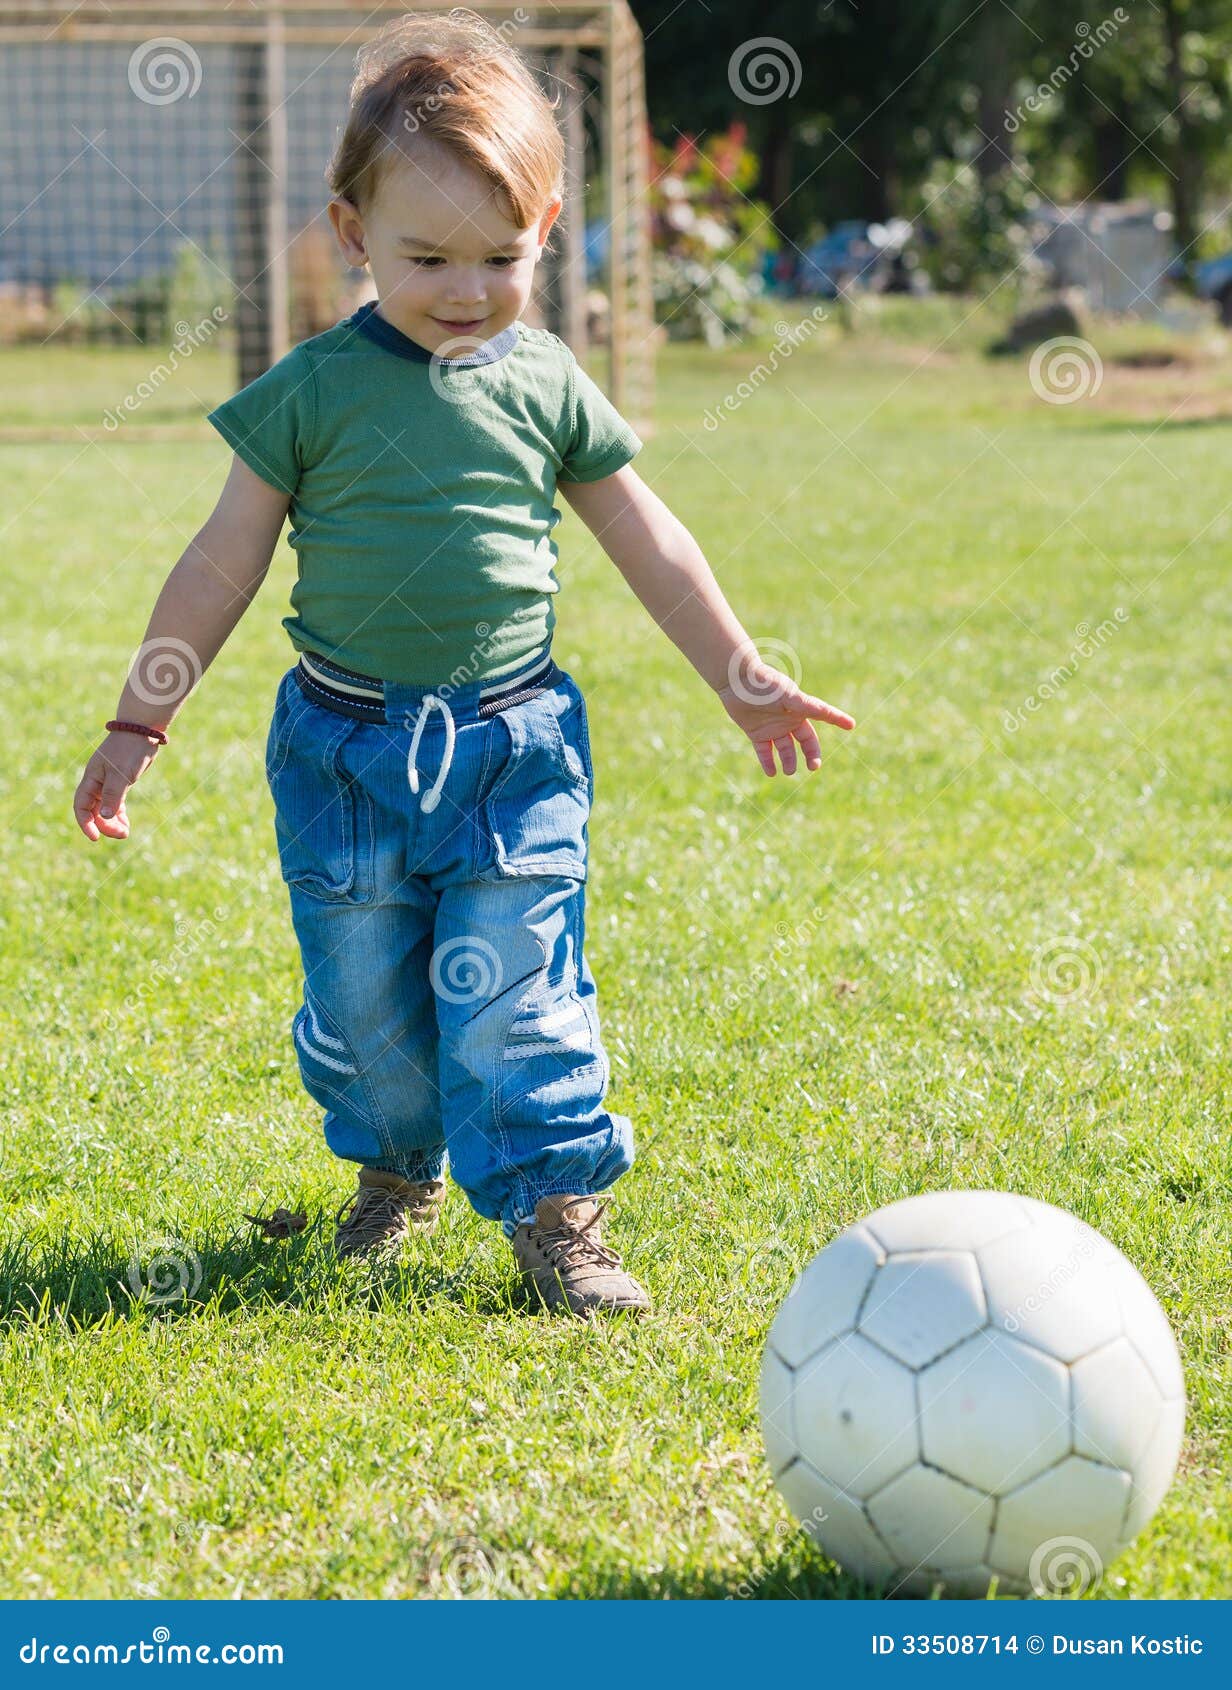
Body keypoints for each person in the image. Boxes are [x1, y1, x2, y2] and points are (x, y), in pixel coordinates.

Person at [72, 10, 854, 1318]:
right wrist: (135, 723)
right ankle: (395, 1161)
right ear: (350, 235)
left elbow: (645, 537)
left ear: (546, 236)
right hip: (346, 758)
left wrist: (736, 669)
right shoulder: (309, 392)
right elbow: (218, 566)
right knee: (366, 1010)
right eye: (426, 254)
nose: (464, 287)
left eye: (502, 256)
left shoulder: (546, 380)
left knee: (522, 991)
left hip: (512, 754)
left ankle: (560, 1217)